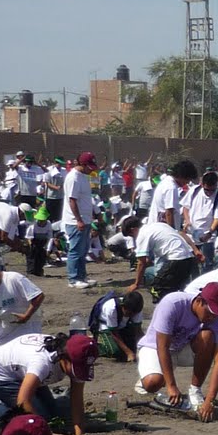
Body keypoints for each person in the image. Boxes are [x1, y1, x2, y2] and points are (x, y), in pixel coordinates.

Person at [134, 283, 218, 418]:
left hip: (182, 348)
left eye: (216, 314)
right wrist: (171, 386)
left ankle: (195, 390)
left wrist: (210, 400)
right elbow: (163, 347)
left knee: (207, 336)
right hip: (154, 348)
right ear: (199, 301)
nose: (212, 318)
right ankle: (150, 377)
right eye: (209, 312)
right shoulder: (173, 303)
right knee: (153, 383)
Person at [0, 331, 97, 434]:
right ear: (63, 357)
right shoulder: (42, 363)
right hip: (4, 375)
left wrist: (80, 432)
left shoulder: (78, 359)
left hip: (28, 373)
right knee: (39, 419)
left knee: (54, 412)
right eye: (78, 367)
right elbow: (23, 401)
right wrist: (46, 433)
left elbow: (77, 400)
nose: (80, 371)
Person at [123, 213, 202, 297]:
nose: (133, 238)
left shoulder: (142, 234)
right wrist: (195, 250)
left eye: (131, 236)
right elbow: (181, 234)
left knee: (157, 288)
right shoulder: (158, 225)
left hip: (177, 258)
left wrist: (136, 284)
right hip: (188, 258)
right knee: (177, 289)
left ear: (133, 229)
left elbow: (141, 262)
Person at [63, 151, 98, 289]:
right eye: (90, 166)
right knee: (76, 250)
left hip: (86, 219)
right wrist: (78, 220)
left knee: (83, 250)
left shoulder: (84, 176)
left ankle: (82, 276)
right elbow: (72, 200)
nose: (92, 169)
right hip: (75, 221)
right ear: (82, 164)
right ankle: (73, 279)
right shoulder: (73, 177)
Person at [89, 289, 146, 361]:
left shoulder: (137, 309)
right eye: (128, 314)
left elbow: (138, 330)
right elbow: (114, 332)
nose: (131, 316)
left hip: (122, 326)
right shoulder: (111, 308)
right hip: (106, 328)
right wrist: (128, 352)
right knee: (115, 351)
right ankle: (94, 345)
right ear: (123, 306)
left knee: (133, 347)